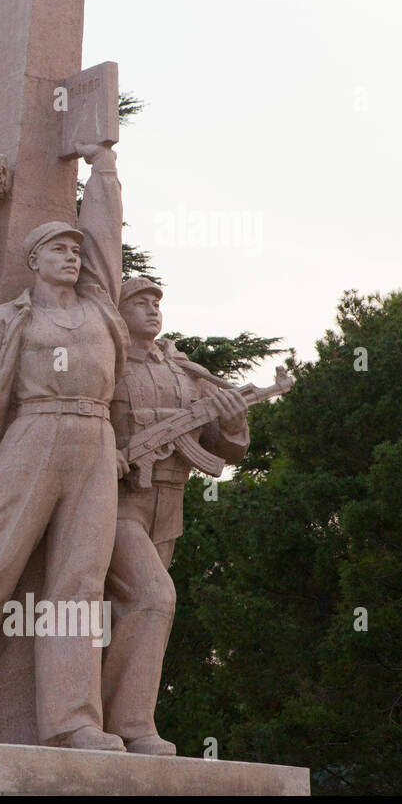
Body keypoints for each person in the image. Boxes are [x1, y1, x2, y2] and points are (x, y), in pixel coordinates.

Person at [0, 142, 128, 750]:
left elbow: (106, 240)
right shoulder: (9, 318)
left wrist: (104, 168)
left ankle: (73, 722)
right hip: (32, 434)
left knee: (81, 585)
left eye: (75, 250)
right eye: (59, 249)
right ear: (35, 260)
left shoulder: (100, 310)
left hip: (95, 438)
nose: (72, 257)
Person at [103, 277, 249, 755]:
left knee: (136, 613)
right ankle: (131, 726)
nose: (151, 310)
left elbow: (222, 450)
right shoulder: (109, 361)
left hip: (171, 504)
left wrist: (231, 419)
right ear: (118, 310)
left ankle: (108, 721)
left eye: (155, 303)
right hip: (120, 500)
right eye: (139, 302)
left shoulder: (187, 374)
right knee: (153, 597)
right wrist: (109, 452)